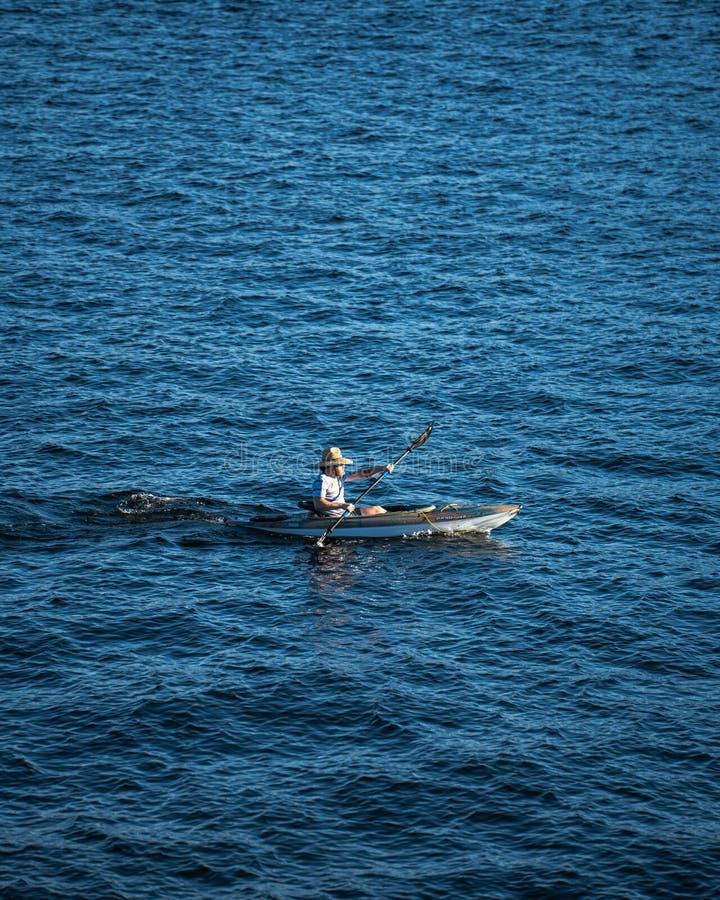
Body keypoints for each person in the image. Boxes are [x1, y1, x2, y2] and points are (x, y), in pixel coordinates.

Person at [312, 446, 394, 517]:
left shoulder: (340, 477)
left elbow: (364, 474)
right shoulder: (322, 480)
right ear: (331, 467)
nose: (344, 466)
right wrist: (342, 505)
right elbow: (318, 505)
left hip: (345, 513)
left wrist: (382, 468)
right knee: (377, 510)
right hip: (337, 519)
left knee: (377, 509)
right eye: (341, 464)